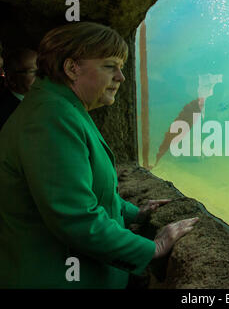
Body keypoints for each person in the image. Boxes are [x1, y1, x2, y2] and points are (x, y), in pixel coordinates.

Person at [0, 22, 199, 288]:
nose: (121, 77)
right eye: (110, 66)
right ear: (72, 68)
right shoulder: (50, 120)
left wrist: (133, 212)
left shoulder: (60, 107)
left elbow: (80, 190)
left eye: (121, 67)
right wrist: (153, 248)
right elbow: (74, 217)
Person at [0, 47, 38, 130]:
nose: (40, 76)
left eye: (42, 70)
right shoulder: (4, 113)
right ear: (11, 79)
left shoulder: (44, 99)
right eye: (33, 71)